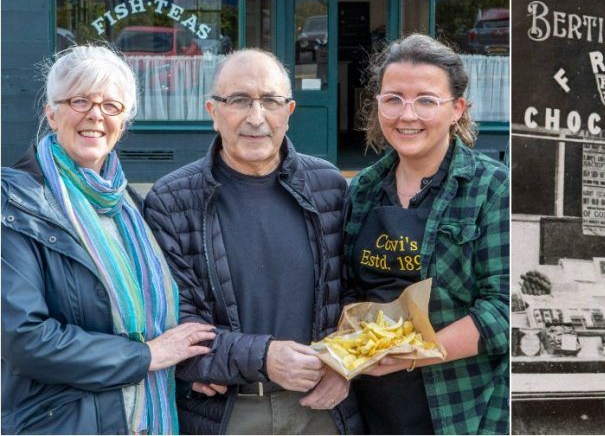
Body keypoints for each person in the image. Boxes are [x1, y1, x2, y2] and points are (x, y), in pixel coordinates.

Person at [143, 49, 362, 434]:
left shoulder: (328, 186)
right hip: (228, 411)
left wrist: (346, 365)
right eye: (239, 100)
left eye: (270, 102)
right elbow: (175, 318)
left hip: (323, 408)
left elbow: (353, 293)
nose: (256, 117)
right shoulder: (171, 199)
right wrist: (263, 356)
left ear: (289, 111)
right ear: (213, 111)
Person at [2, 46, 215, 434]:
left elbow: (143, 322)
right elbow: (25, 341)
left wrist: (182, 368)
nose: (95, 115)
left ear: (123, 122)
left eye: (111, 106)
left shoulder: (128, 205)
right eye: (80, 100)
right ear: (51, 113)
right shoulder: (14, 203)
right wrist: (147, 356)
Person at [343, 34, 509, 434]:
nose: (407, 114)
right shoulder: (362, 189)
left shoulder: (493, 188)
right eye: (393, 98)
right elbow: (347, 287)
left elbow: (505, 309)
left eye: (426, 100)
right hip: (371, 407)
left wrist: (413, 354)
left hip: (459, 408)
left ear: (457, 109)